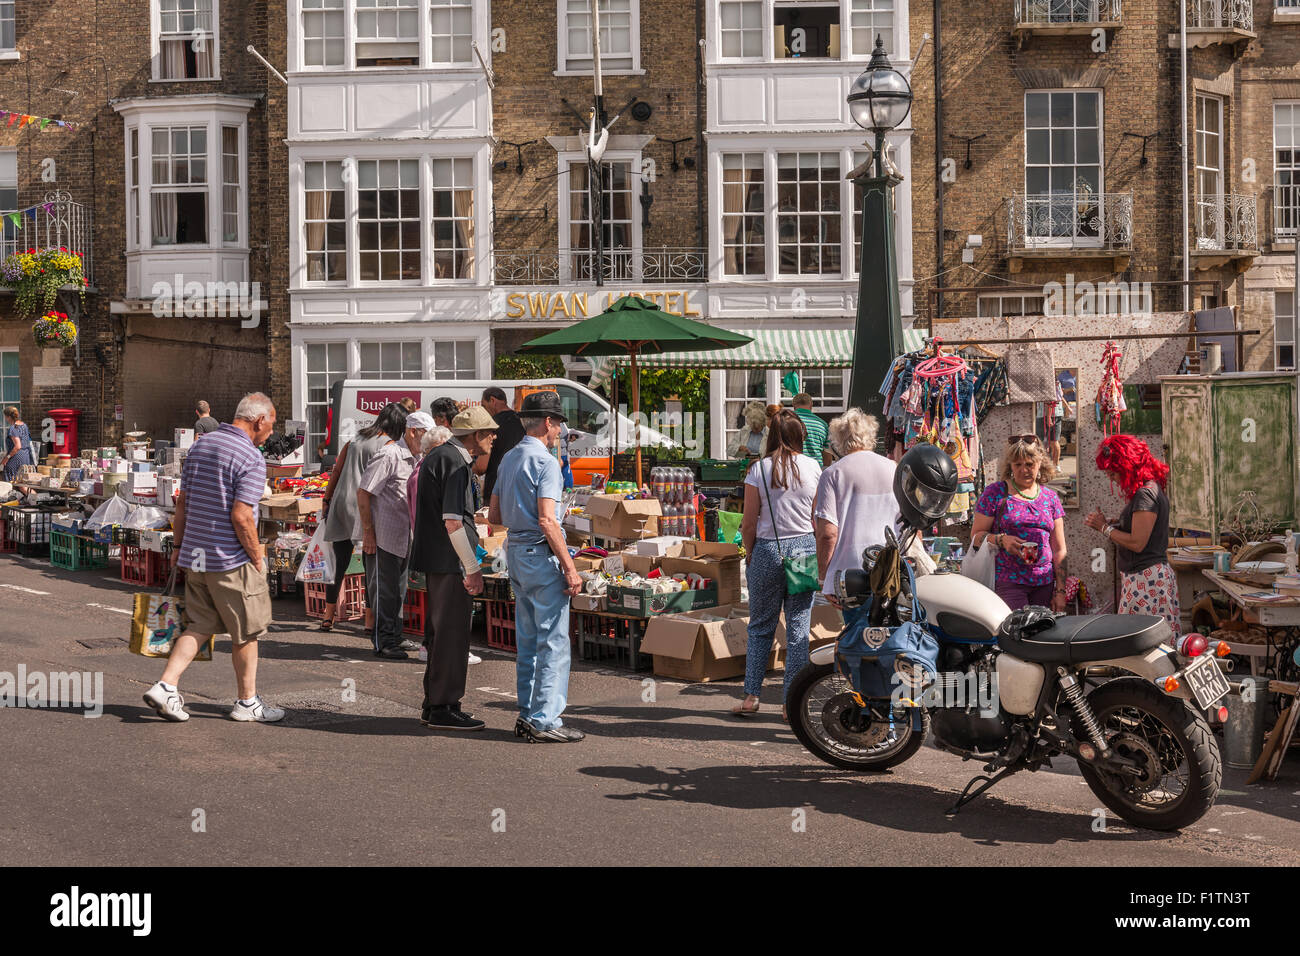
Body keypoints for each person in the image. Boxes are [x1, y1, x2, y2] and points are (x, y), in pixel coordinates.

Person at [143, 392, 282, 723]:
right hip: (229, 558)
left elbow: (182, 504)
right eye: (272, 424)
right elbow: (242, 516)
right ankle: (247, 703)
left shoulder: (201, 446)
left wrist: (178, 549)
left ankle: (166, 685)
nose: (271, 432)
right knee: (247, 632)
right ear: (259, 420)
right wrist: (256, 556)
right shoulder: (250, 457)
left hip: (196, 555)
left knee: (201, 624)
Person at [489, 391, 584, 743]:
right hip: (540, 555)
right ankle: (545, 720)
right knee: (554, 643)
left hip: (515, 550)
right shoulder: (545, 463)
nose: (559, 431)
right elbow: (548, 520)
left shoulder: (510, 457)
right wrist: (569, 567)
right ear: (548, 422)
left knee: (528, 641)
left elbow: (495, 515)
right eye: (558, 424)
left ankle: (528, 713)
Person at [410, 405, 498, 730]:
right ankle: (445, 706)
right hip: (450, 562)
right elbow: (452, 521)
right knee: (451, 636)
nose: (493, 438)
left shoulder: (442, 455)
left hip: (440, 560)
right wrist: (472, 567)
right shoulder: (457, 460)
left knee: (440, 634)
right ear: (475, 436)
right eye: (489, 432)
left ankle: (435, 703)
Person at [733, 410, 821, 721]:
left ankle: (751, 696)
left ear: (771, 435)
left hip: (769, 549)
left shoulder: (758, 470)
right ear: (800, 436)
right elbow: (817, 517)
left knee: (760, 626)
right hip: (804, 548)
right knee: (798, 630)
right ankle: (790, 704)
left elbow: (748, 523)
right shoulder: (813, 467)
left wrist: (750, 552)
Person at [318, 403, 407, 632]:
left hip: (341, 502)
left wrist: (327, 499)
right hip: (363, 506)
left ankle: (328, 616)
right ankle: (369, 620)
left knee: (338, 563)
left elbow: (336, 471)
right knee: (371, 566)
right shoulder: (388, 445)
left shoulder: (355, 439)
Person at [1085, 435, 1178, 636]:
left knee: (1144, 644)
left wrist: (1104, 528)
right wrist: (1117, 524)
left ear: (1127, 467)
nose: (1111, 478)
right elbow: (1143, 530)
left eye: (1113, 473)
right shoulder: (1150, 489)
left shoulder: (1145, 494)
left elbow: (1137, 543)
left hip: (1146, 580)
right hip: (1146, 578)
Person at [357, 407, 428, 659]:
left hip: (403, 537)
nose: (427, 441)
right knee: (384, 593)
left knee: (398, 591)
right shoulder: (389, 454)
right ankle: (383, 641)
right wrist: (368, 533)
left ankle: (394, 636)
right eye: (425, 435)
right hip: (384, 536)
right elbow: (364, 493)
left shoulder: (416, 457)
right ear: (412, 432)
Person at [971, 435, 1068, 611]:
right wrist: (1001, 540)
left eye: (1029, 464)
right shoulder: (995, 493)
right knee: (1017, 631)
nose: (1024, 470)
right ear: (1010, 466)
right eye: (1018, 464)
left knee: (1042, 634)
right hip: (1009, 582)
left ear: (1040, 464)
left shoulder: (1050, 498)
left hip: (1044, 583)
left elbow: (1059, 549)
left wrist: (1060, 591)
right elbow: (976, 537)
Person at [815, 409, 899, 605]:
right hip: (890, 566)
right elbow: (907, 521)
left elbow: (827, 533)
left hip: (849, 571)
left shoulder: (833, 473)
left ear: (838, 439)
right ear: (871, 435)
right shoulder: (893, 467)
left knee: (856, 632)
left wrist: (824, 578)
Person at [482, 386, 526, 500]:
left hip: (495, 488)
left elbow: (481, 466)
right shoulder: (522, 422)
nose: (483, 410)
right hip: (519, 487)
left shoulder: (490, 425)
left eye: (483, 405)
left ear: (492, 400)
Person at [792, 393, 830, 465]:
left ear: (793, 405)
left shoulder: (786, 421)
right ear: (811, 405)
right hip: (816, 469)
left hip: (792, 468)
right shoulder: (822, 424)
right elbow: (827, 454)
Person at [2, 406, 33, 480]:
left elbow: (18, 446)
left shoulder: (13, 428)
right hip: (26, 456)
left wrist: (7, 458)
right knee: (23, 482)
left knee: (9, 475)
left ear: (9, 417)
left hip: (17, 457)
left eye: (6, 417)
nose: (6, 419)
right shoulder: (24, 425)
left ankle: (11, 491)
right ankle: (33, 492)